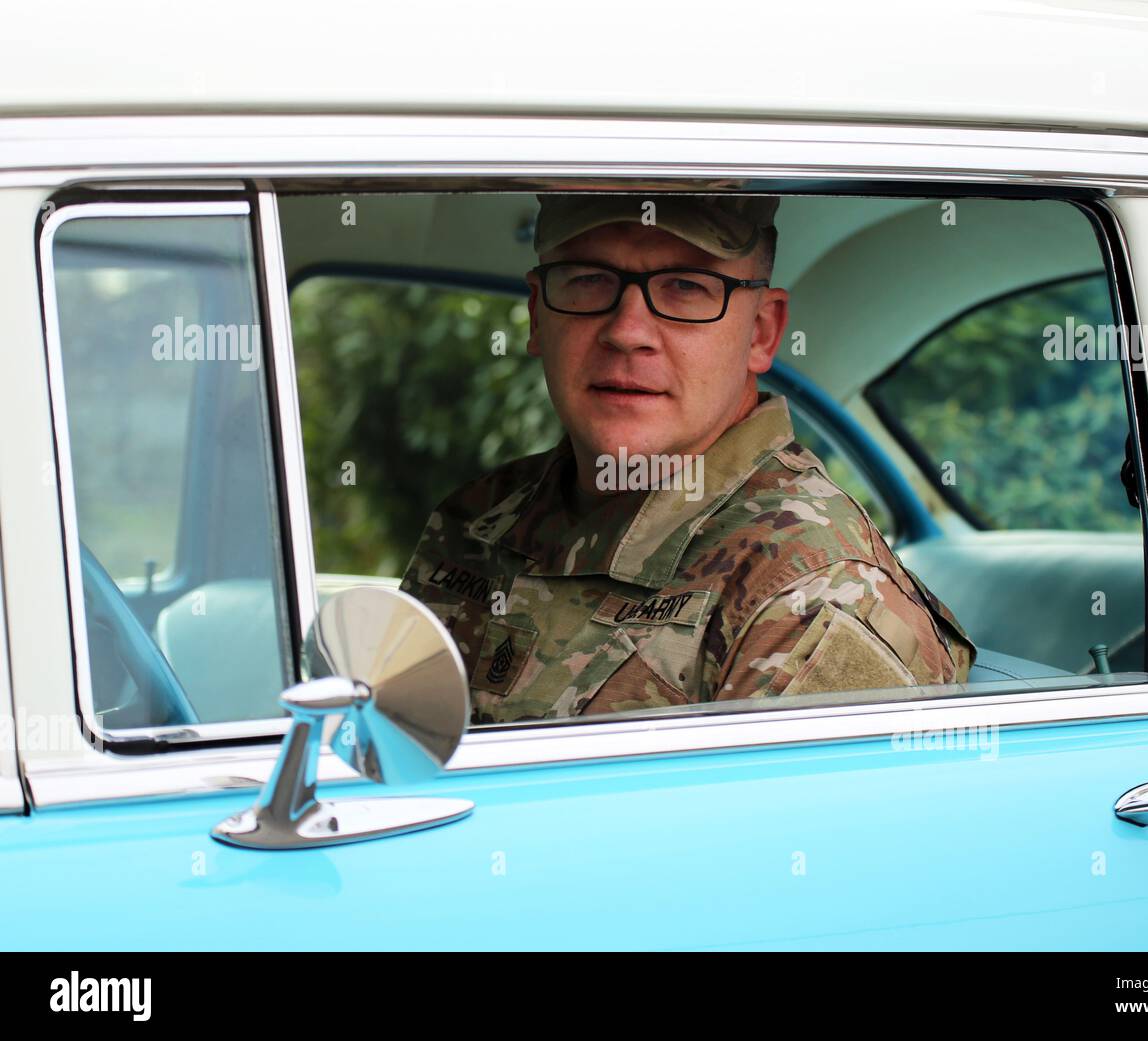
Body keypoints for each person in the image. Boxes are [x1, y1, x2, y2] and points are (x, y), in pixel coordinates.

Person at [400, 193, 973, 723]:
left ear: (762, 333)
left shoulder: (812, 592)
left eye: (685, 287)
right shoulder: (480, 516)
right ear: (536, 315)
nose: (626, 332)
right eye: (589, 280)